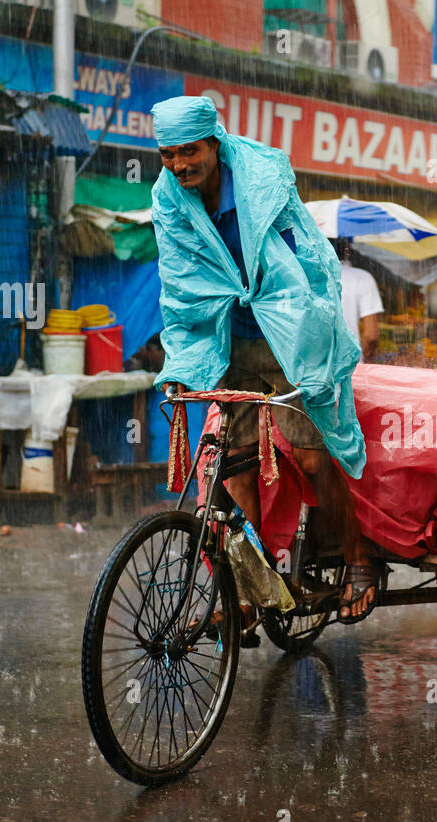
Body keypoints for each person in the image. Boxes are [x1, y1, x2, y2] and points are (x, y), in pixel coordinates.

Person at [149, 95, 378, 627]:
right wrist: (181, 364)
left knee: (315, 456)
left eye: (189, 152)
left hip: (288, 336)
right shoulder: (168, 200)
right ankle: (253, 593)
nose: (180, 166)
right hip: (230, 339)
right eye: (167, 156)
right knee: (237, 468)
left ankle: (359, 561)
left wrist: (314, 331)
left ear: (214, 143)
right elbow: (179, 286)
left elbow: (307, 260)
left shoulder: (260, 179)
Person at [330, 238, 383, 362]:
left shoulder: (309, 278)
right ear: (348, 250)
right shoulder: (362, 278)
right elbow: (371, 335)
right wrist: (366, 360)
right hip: (351, 367)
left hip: (313, 371)